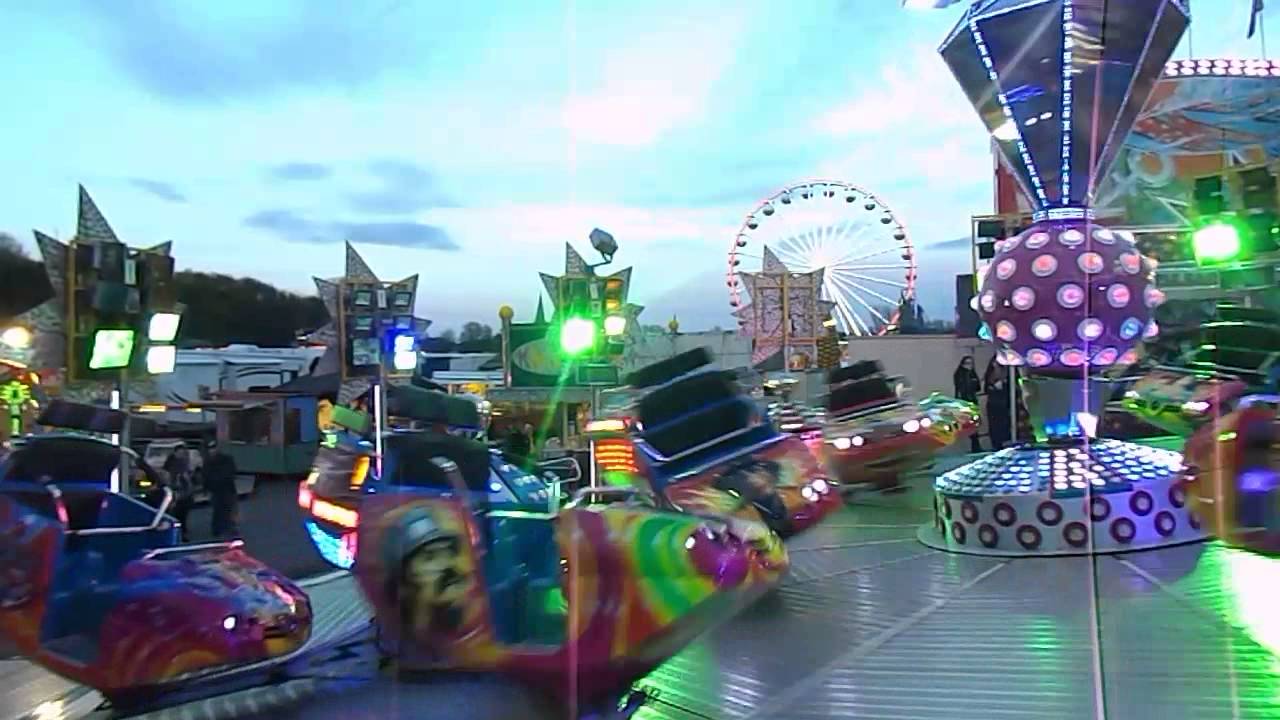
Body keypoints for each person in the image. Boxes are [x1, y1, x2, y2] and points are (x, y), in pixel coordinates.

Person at [203, 443, 240, 539]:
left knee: (226, 509)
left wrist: (208, 485)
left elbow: (230, 472)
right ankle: (222, 528)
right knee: (220, 509)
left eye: (213, 448)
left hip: (224, 488)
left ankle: (223, 528)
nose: (211, 451)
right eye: (210, 449)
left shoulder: (222, 460)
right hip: (220, 489)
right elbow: (206, 476)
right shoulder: (209, 461)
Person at [163, 447, 194, 541]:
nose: (181, 455)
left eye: (182, 453)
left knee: (181, 516)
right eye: (179, 453)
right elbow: (168, 478)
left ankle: (181, 534)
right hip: (175, 494)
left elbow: (188, 481)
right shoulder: (171, 464)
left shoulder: (184, 464)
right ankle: (177, 534)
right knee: (175, 516)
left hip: (183, 495)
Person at [952, 356, 983, 453]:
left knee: (974, 423)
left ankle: (976, 445)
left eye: (970, 363)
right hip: (964, 402)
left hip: (972, 400)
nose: (969, 366)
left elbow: (978, 387)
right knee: (969, 424)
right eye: (967, 363)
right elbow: (961, 388)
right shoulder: (960, 374)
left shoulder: (972, 373)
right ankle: (974, 445)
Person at [984, 356, 1015, 451]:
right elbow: (986, 388)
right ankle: (996, 444)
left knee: (1003, 424)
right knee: (994, 425)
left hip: (1003, 402)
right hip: (993, 402)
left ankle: (1005, 442)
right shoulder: (990, 375)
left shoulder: (1007, 373)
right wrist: (992, 387)